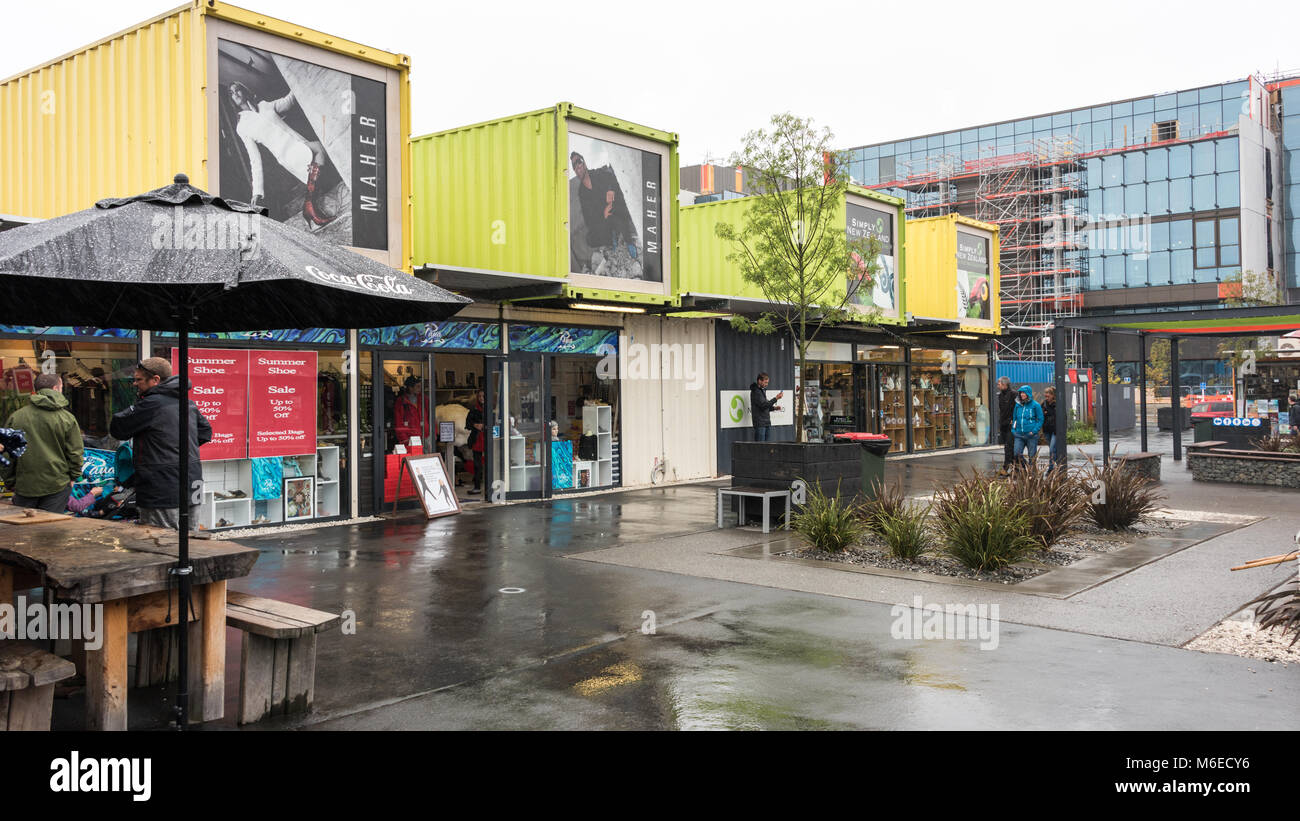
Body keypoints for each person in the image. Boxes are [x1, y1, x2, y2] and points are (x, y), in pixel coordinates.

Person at [109, 357, 212, 531]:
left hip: (160, 484)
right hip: (192, 479)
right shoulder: (188, 403)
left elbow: (118, 427)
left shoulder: (151, 404)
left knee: (161, 541)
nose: (134, 383)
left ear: (155, 380)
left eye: (139, 379)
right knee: (192, 541)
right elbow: (205, 432)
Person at [228, 81, 335, 227]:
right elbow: (254, 158)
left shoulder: (265, 106)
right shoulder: (242, 127)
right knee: (319, 149)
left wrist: (296, 79)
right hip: (286, 153)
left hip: (298, 143)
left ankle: (309, 207)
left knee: (320, 152)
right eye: (232, 93)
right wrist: (257, 190)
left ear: (244, 91)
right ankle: (309, 206)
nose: (236, 94)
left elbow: (288, 101)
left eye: (237, 90)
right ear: (232, 100)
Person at [1, 372, 83, 513]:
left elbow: (7, 454)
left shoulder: (16, 417)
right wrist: (73, 477)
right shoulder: (67, 418)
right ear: (56, 388)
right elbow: (75, 453)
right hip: (57, 485)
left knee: (24, 532)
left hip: (25, 486)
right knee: (51, 531)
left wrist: (10, 481)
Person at [570, 151, 640, 278]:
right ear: (574, 170)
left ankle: (628, 241)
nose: (578, 166)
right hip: (602, 219)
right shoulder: (582, 193)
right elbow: (588, 220)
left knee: (617, 212)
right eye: (574, 165)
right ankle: (612, 238)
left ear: (584, 163)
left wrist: (610, 190)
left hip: (614, 210)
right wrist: (603, 214)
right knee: (590, 238)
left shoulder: (597, 174)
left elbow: (612, 179)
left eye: (579, 161)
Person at [1011, 384, 1044, 468]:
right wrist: (1013, 430)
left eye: (1023, 393)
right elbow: (1014, 418)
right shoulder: (1018, 405)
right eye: (1021, 393)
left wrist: (1033, 431)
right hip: (1019, 434)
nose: (1022, 394)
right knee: (1016, 454)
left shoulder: (1035, 405)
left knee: (1032, 458)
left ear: (1028, 393)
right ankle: (1026, 469)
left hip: (1031, 435)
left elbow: (1040, 420)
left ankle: (1032, 475)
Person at [394, 376, 427, 449]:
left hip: (425, 437)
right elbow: (399, 422)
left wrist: (432, 433)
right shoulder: (401, 402)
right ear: (410, 388)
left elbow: (429, 416)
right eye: (417, 386)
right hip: (410, 439)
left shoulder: (423, 399)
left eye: (420, 386)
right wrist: (404, 439)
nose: (420, 389)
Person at [749, 372, 784, 442]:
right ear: (759, 381)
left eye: (767, 383)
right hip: (760, 424)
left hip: (766, 422)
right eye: (765, 382)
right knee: (760, 447)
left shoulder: (762, 391)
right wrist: (776, 398)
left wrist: (774, 408)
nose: (766, 384)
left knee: (767, 446)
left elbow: (766, 406)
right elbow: (763, 405)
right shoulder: (756, 392)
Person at [465, 389, 486, 495]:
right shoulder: (473, 410)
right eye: (480, 397)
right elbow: (467, 425)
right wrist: (475, 425)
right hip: (477, 439)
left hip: (489, 439)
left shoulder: (492, 409)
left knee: (491, 464)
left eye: (483, 396)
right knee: (477, 465)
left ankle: (490, 487)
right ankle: (477, 487)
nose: (481, 398)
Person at [996, 376, 1015, 471]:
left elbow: (1017, 409)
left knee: (1009, 447)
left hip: (1011, 425)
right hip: (1003, 424)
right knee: (1007, 447)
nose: (997, 386)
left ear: (1004, 384)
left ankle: (1006, 468)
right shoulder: (1000, 396)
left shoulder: (1014, 394)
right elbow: (1002, 411)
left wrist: (1013, 419)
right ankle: (1017, 467)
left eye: (999, 384)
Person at [1041, 386, 1061, 471]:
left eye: (1048, 396)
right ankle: (1059, 464)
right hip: (1047, 430)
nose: (1046, 397)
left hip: (1055, 430)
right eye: (1045, 396)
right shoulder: (1043, 404)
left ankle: (1051, 468)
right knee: (1053, 449)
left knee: (1052, 449)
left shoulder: (1058, 405)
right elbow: (1040, 416)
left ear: (1053, 395)